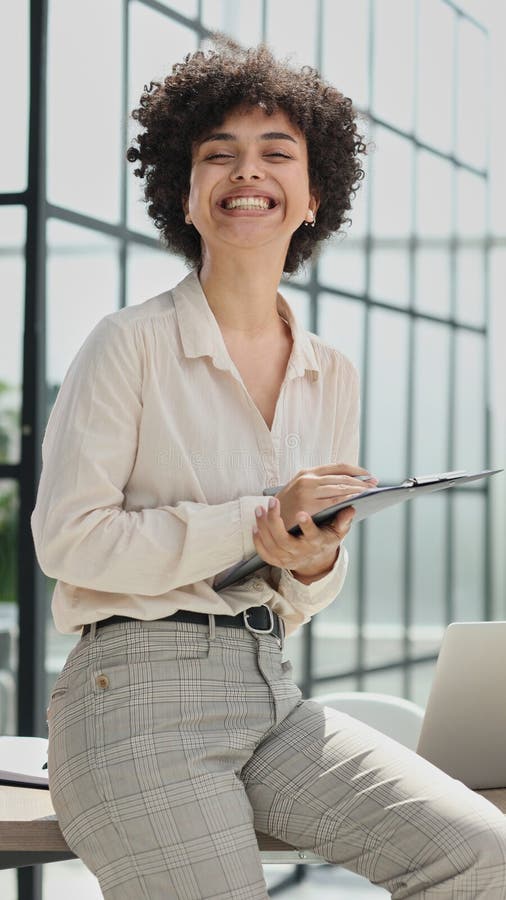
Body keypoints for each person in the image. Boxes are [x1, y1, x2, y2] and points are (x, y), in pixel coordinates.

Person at [31, 39, 506, 900]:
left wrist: (312, 557)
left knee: (485, 857)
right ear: (186, 192)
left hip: (271, 695)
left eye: (275, 153)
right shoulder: (128, 344)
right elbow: (69, 542)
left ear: (314, 195)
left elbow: (296, 581)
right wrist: (256, 515)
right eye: (219, 154)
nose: (247, 172)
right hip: (128, 697)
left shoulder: (332, 371)